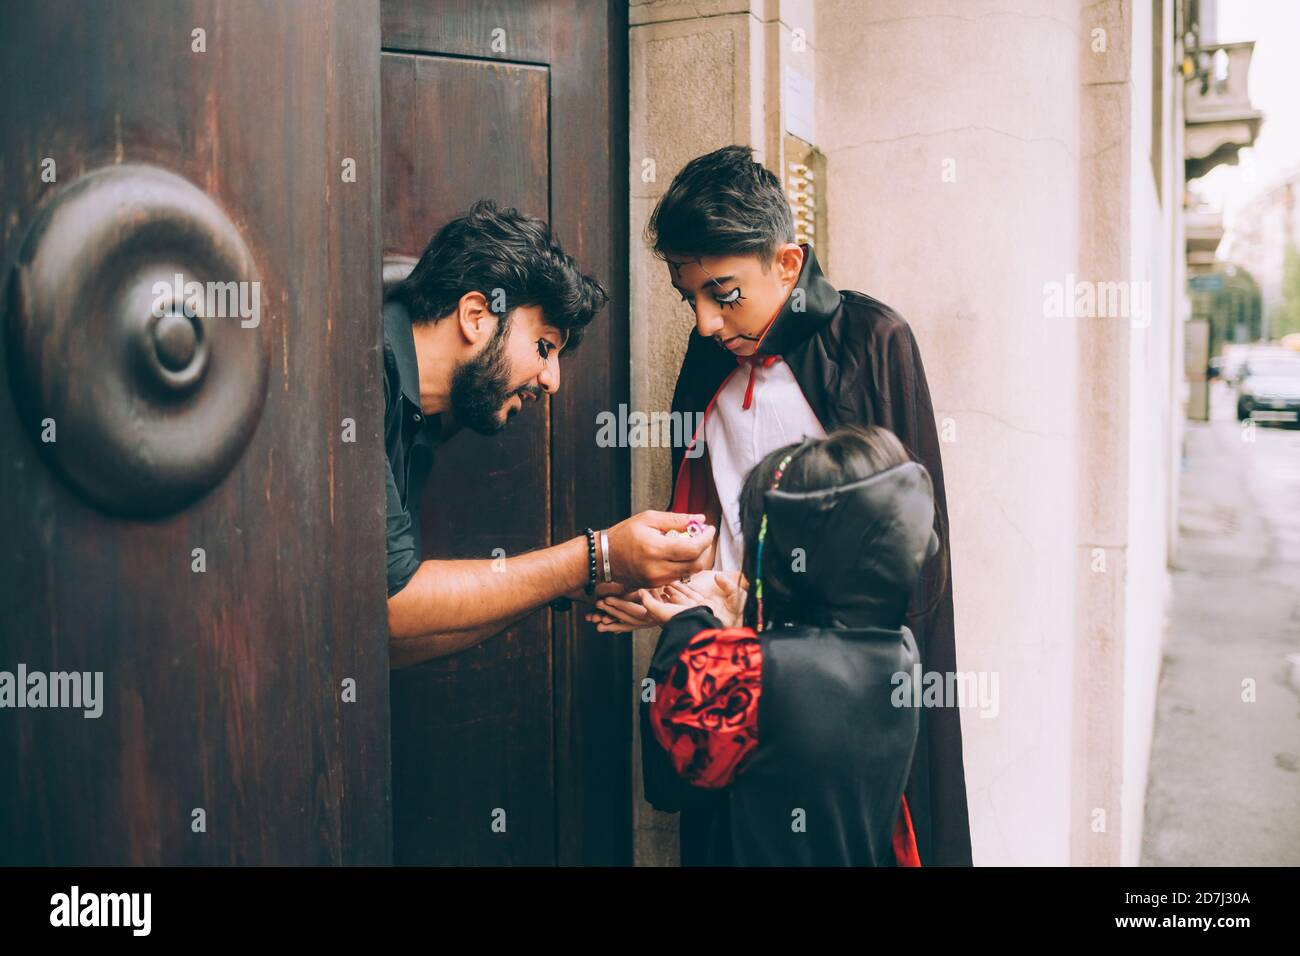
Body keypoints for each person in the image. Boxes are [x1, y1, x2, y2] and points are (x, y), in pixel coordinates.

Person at [589, 145, 972, 865]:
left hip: (834, 697)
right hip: (729, 672)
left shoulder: (873, 341)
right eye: (690, 298)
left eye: (725, 293)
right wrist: (674, 590)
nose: (704, 322)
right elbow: (709, 514)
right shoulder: (710, 357)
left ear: (788, 265)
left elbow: (908, 549)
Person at [383, 200, 715, 668]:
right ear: (476, 315)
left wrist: (583, 579)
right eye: (544, 347)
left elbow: (391, 635)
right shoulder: (364, 375)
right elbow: (394, 606)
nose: (551, 380)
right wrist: (598, 555)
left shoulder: (416, 419)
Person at [638, 426, 938, 865]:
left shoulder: (753, 673)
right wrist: (743, 622)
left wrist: (689, 627)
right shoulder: (899, 653)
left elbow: (671, 776)